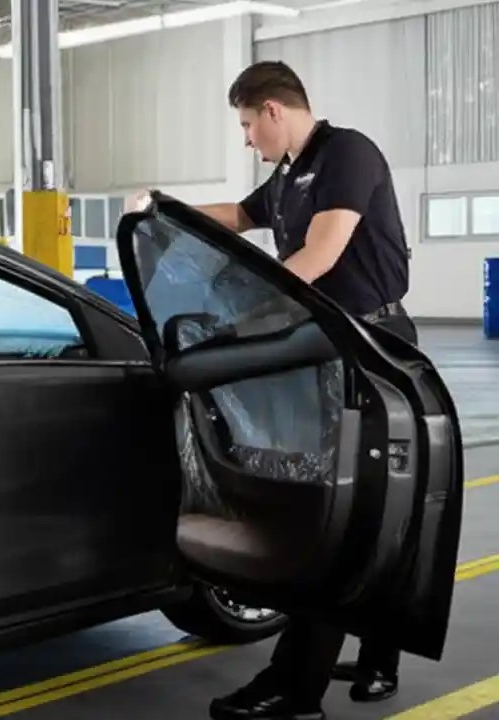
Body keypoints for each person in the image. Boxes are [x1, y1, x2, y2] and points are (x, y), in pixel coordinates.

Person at [172, 60, 413, 719]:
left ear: (273, 111)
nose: (247, 138)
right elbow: (239, 215)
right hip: (325, 347)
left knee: (338, 513)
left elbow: (323, 252)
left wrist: (251, 316)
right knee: (353, 511)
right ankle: (369, 655)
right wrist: (165, 212)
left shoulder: (346, 155)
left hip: (372, 346)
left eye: (249, 125)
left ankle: (298, 687)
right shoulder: (287, 175)